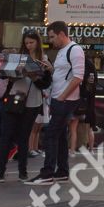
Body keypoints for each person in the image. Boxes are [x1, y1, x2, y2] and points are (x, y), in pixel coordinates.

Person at [30, 21, 84, 185]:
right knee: (59, 135)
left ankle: (47, 174)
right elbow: (64, 75)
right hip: (58, 98)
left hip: (65, 100)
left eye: (52, 37)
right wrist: (51, 69)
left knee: (51, 135)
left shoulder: (75, 50)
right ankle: (62, 171)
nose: (50, 40)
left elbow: (78, 77)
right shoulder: (63, 51)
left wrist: (62, 96)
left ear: (62, 34)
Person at [0, 31, 50, 183]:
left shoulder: (44, 60)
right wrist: (10, 73)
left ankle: (22, 172)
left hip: (32, 102)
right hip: (14, 98)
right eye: (26, 43)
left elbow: (46, 84)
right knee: (6, 135)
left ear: (38, 43)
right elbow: (3, 75)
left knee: (23, 138)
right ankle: (0, 171)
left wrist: (35, 77)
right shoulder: (18, 57)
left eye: (32, 42)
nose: (29, 46)